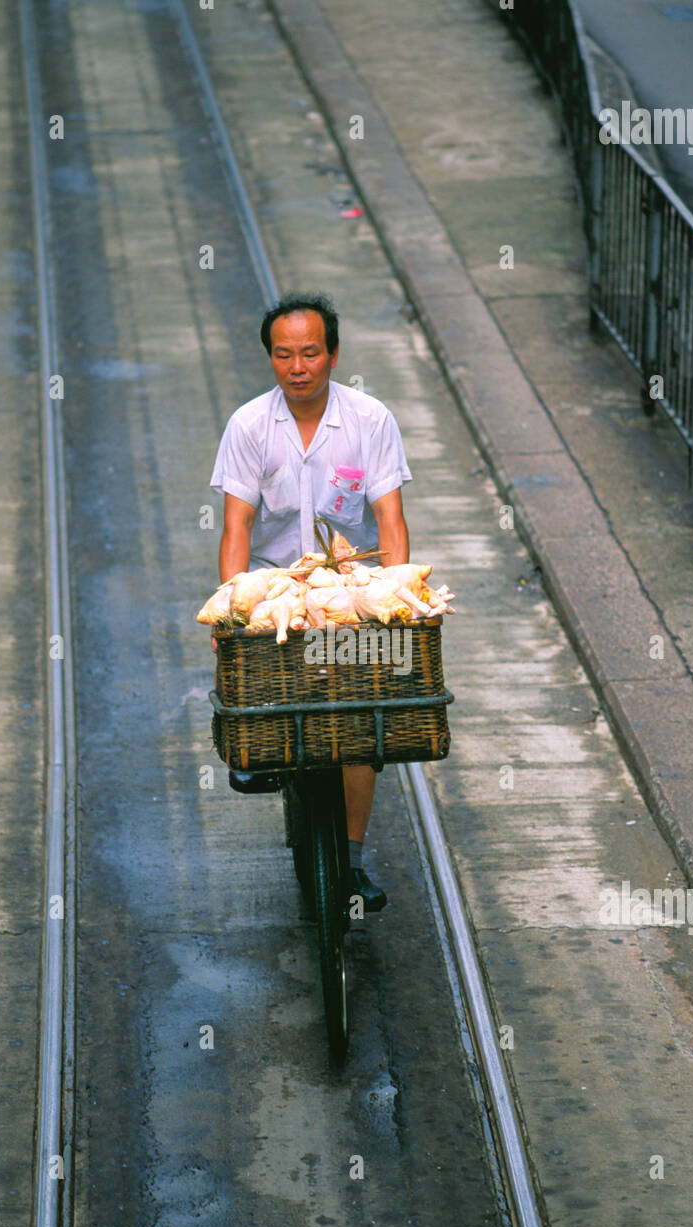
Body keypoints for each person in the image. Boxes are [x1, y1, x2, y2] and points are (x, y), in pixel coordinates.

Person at [209, 292, 412, 912]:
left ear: (333, 355)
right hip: (276, 585)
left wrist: (398, 593)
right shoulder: (248, 426)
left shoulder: (369, 419)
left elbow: (390, 518)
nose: (299, 367)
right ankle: (263, 753)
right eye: (284, 355)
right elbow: (237, 529)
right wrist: (231, 606)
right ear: (270, 359)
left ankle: (350, 860)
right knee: (266, 685)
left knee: (358, 723)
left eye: (311, 353)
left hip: (347, 584)